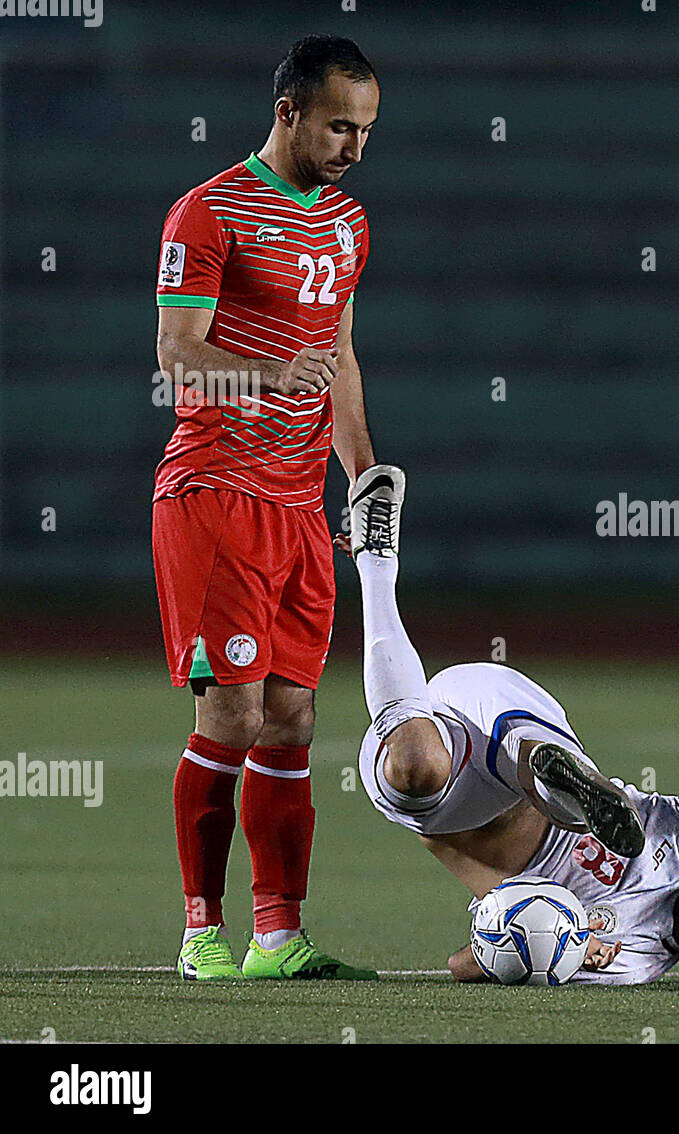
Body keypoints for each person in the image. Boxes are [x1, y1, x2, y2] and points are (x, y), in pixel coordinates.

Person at [347, 467, 679, 985]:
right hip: (503, 713)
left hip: (446, 795)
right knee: (542, 766)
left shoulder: (633, 958)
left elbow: (463, 964)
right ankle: (557, 780)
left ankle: (376, 556)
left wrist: (560, 942)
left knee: (414, 766)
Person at [154, 35, 382, 980]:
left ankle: (278, 937)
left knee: (293, 719)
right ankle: (200, 931)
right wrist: (265, 375)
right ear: (287, 110)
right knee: (234, 719)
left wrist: (362, 468)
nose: (354, 146)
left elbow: (341, 354)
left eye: (366, 128)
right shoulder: (208, 211)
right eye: (339, 124)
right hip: (216, 494)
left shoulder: (349, 222)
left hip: (297, 504)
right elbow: (177, 358)